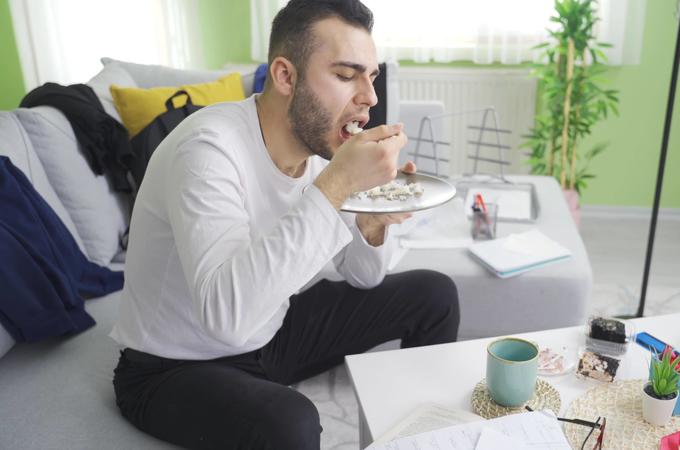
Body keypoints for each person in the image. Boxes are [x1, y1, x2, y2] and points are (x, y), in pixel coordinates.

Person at [110, 0, 460, 448]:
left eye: (371, 77)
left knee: (434, 294)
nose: (370, 97)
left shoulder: (319, 152)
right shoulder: (207, 149)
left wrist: (372, 223)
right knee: (290, 422)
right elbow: (226, 319)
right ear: (285, 76)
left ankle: (419, 437)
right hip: (173, 366)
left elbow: (365, 276)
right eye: (346, 74)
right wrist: (336, 186)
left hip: (269, 333)